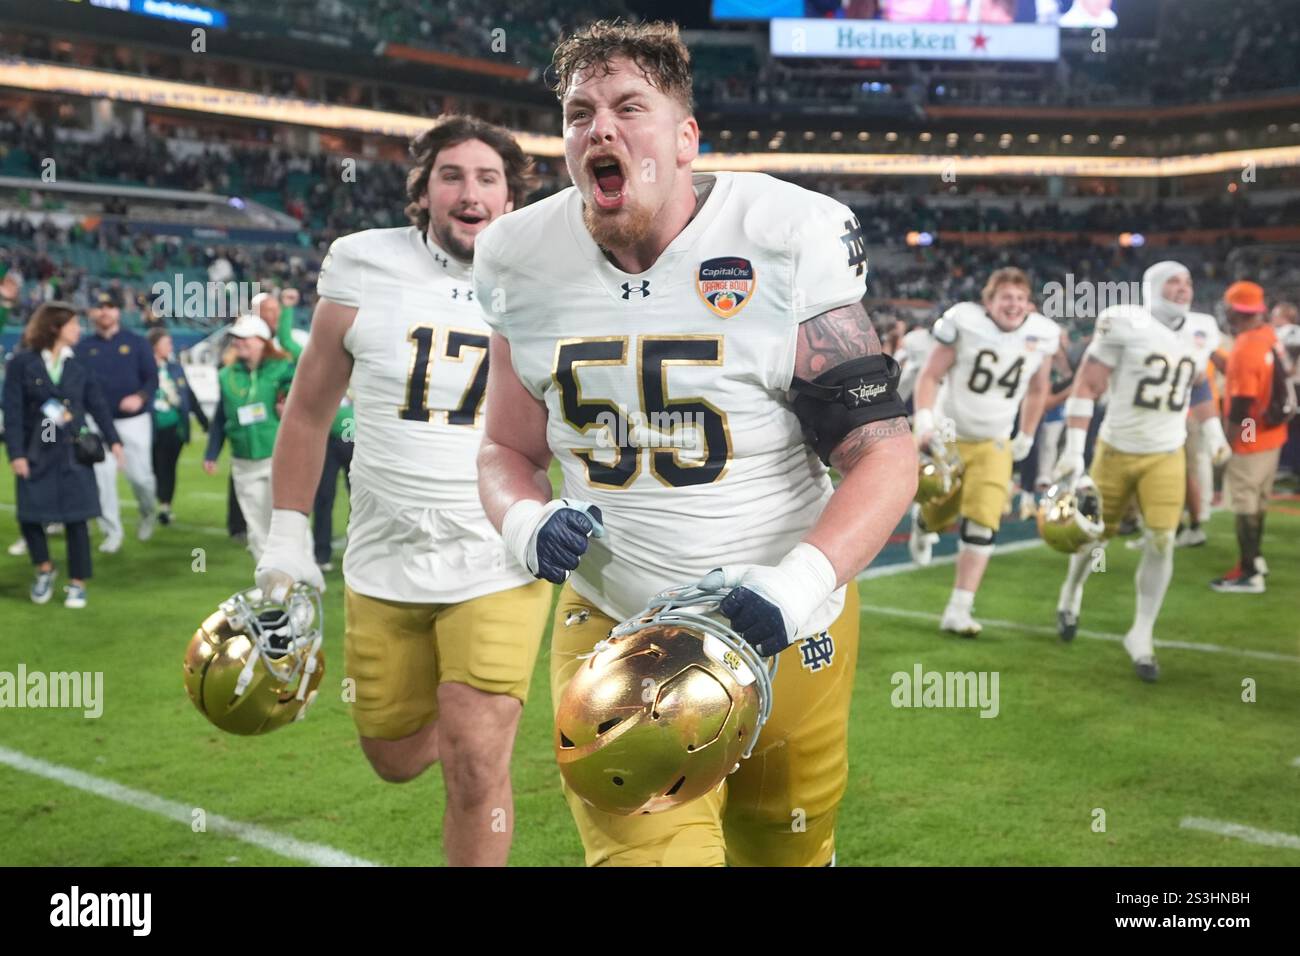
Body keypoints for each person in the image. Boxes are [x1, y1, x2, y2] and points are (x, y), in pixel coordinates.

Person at [474, 20, 916, 866]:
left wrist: (799, 583)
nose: (599, 127)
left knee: (784, 846)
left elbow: (884, 453)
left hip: (784, 622)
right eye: (579, 112)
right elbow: (504, 448)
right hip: (613, 615)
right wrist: (523, 523)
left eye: (628, 107)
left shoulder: (783, 234)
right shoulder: (518, 257)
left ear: (685, 139)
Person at [254, 116, 550, 867]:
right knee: (390, 754)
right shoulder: (361, 265)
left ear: (512, 199)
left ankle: (475, 741)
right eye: (452, 174)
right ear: (423, 190)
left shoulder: (552, 278)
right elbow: (309, 411)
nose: (470, 191)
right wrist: (287, 541)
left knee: (477, 765)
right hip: (384, 558)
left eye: (489, 178)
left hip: (499, 555)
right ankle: (456, 729)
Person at [1053, 262, 1231, 681]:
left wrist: (1215, 432)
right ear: (1152, 286)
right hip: (1117, 448)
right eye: (1173, 280)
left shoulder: (1202, 328)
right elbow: (1088, 385)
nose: (1183, 288)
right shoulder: (1123, 321)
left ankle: (1142, 632)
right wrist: (1074, 450)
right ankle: (1072, 591)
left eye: (1188, 281)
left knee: (1163, 539)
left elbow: (1198, 385)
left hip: (1167, 451)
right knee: (1094, 534)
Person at [909, 268, 1059, 635]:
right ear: (988, 302)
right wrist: (925, 419)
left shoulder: (1041, 334)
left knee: (983, 520)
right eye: (1006, 297)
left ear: (1030, 304)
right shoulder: (966, 322)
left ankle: (958, 609)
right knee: (940, 509)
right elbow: (930, 374)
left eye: (1021, 298)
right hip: (950, 434)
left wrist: (1026, 432)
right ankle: (923, 523)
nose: (1014, 304)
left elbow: (1039, 389)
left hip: (995, 440)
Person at [3, 302, 124, 608]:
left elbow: (96, 403)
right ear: (55, 327)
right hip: (35, 452)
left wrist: (114, 440)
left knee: (77, 519)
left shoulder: (79, 362)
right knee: (30, 516)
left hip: (74, 452)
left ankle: (77, 582)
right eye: (72, 324)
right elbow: (13, 412)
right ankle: (44, 569)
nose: (79, 329)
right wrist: (15, 453)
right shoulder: (21, 363)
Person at [1210, 281, 1289, 593]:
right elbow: (1251, 375)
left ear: (1234, 310)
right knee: (1258, 500)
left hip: (1252, 435)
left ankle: (1248, 573)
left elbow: (1243, 404)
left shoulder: (1245, 346)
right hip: (1273, 434)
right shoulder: (1268, 335)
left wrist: (1233, 442)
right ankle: (1256, 560)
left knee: (1244, 503)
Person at [203, 313, 301, 561]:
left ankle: (299, 579)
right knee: (256, 527)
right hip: (243, 461)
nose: (239, 343)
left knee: (287, 522)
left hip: (278, 456)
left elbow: (300, 392)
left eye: (245, 338)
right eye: (236, 338)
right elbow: (220, 417)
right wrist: (212, 453)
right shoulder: (226, 375)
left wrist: (289, 402)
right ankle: (269, 585)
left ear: (262, 340)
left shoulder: (283, 368)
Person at [74, 290, 158, 551]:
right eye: (99, 307)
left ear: (118, 312)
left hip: (133, 421)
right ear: (92, 313)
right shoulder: (83, 347)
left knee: (141, 478)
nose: (105, 312)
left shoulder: (136, 342)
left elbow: (152, 378)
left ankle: (148, 513)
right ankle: (112, 530)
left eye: (110, 307)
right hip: (98, 423)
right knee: (102, 477)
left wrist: (140, 396)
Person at [147, 328, 208, 526]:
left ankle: (165, 506)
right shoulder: (145, 368)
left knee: (169, 467)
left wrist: (204, 421)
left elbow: (189, 395)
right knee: (155, 467)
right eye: (167, 343)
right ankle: (155, 500)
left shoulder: (175, 368)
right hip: (151, 427)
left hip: (175, 427)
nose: (170, 347)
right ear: (155, 346)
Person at [312, 393, 353, 570]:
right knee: (323, 496)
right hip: (329, 439)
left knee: (361, 501)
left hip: (359, 440)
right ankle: (321, 554)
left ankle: (358, 554)